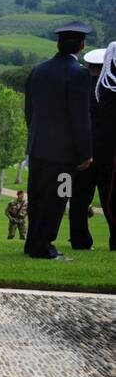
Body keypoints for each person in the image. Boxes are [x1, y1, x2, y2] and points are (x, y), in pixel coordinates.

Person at [24, 22, 94, 260]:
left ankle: (33, 243)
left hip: (37, 147)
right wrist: (85, 152)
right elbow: (80, 117)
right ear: (82, 45)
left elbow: (29, 112)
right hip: (63, 154)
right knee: (57, 199)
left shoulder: (38, 70)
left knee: (36, 198)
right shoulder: (80, 74)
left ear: (58, 43)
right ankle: (44, 246)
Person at [70, 45, 116, 250]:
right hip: (107, 154)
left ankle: (80, 240)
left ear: (88, 66)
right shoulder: (111, 90)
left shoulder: (78, 88)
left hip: (80, 153)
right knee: (109, 199)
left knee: (79, 201)